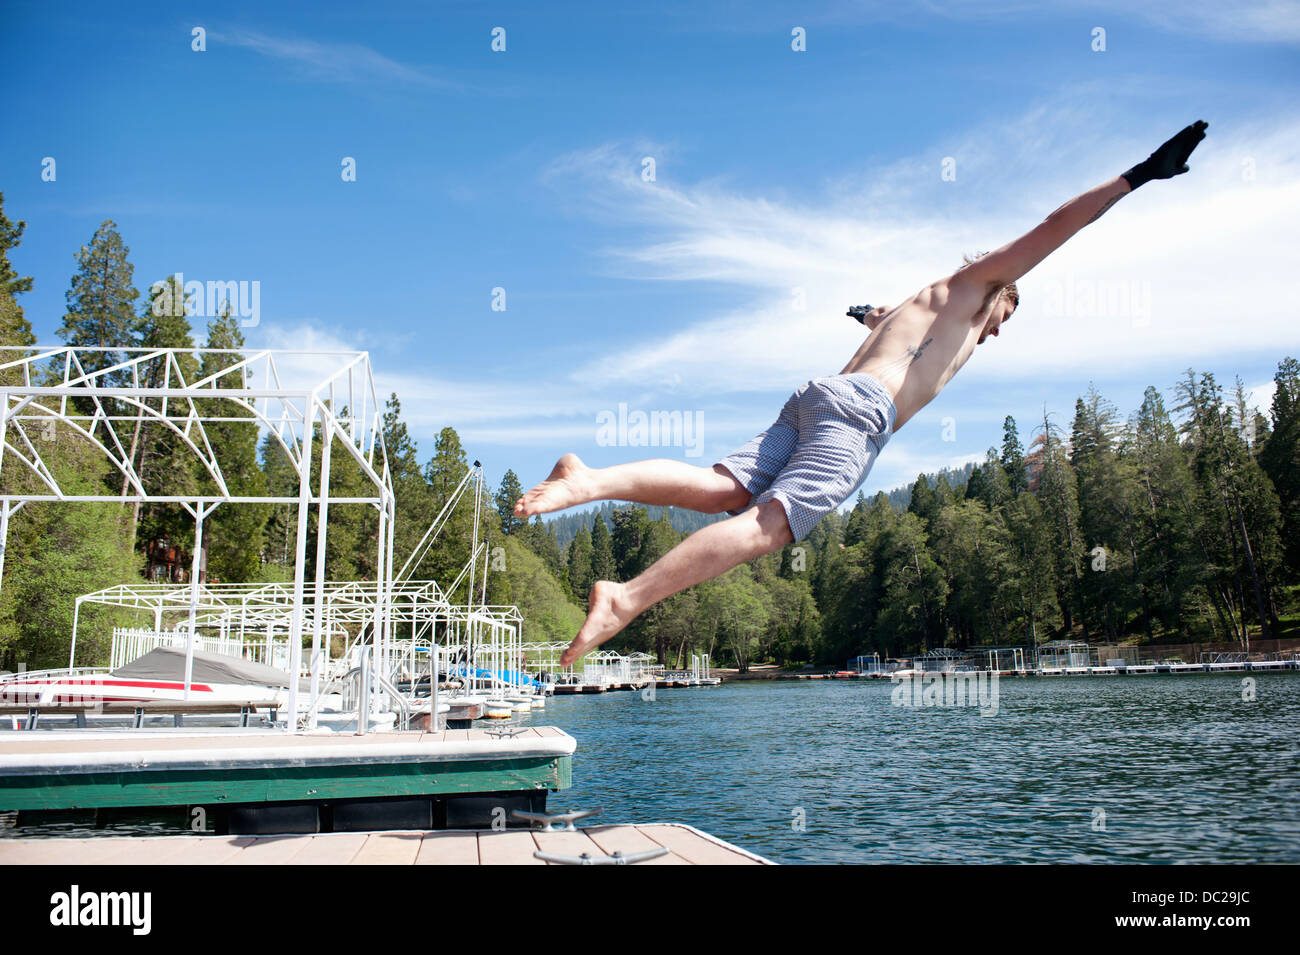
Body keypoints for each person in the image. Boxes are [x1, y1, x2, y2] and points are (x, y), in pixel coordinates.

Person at [516, 120, 1208, 666]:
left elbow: (886, 319)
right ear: (999, 290)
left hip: (820, 396)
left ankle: (589, 479)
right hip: (857, 417)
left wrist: (867, 315)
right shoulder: (978, 288)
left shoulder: (918, 303)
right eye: (1005, 316)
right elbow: (1056, 228)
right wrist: (1140, 175)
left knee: (724, 488)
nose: (997, 331)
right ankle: (626, 598)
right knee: (770, 526)